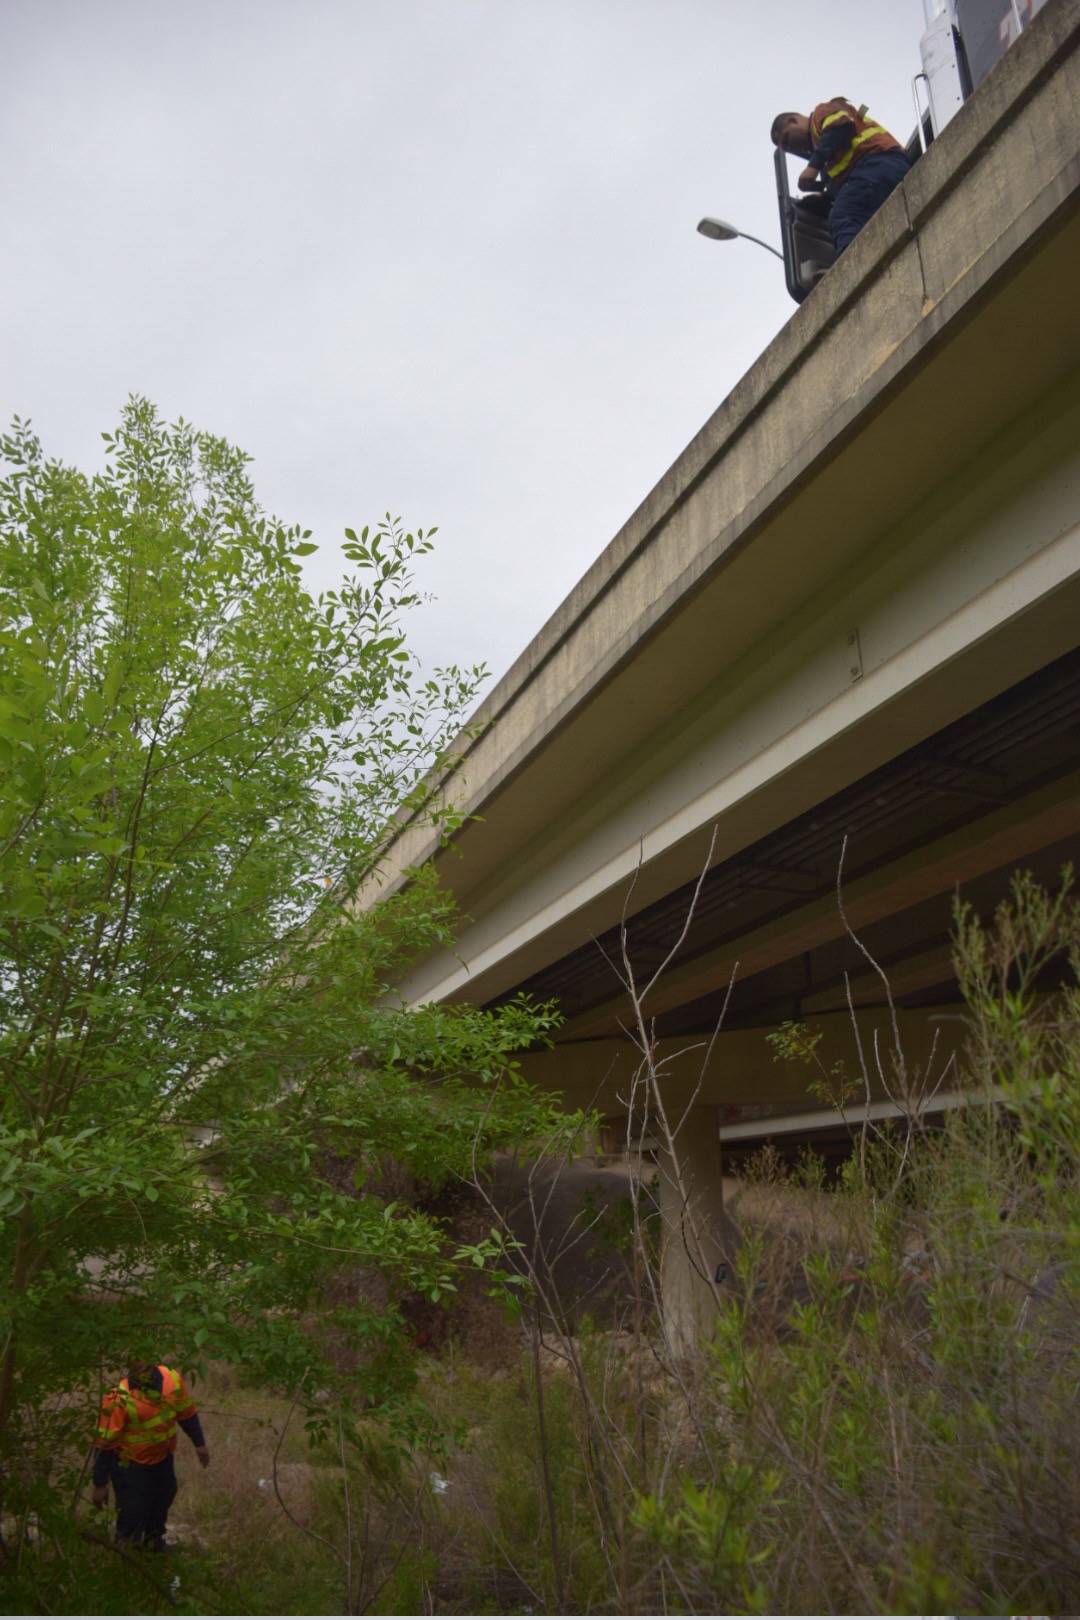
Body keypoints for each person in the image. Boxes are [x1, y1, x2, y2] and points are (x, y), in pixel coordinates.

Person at [91, 1359, 210, 1550]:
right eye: (136, 1371)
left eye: (145, 1369)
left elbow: (186, 1412)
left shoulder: (172, 1378)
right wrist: (100, 1483)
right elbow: (104, 1442)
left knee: (162, 1501)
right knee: (131, 1514)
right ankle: (127, 1554)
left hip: (163, 1457)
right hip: (130, 1465)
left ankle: (154, 1548)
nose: (142, 1376)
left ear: (153, 1363)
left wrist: (199, 1443)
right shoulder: (118, 1397)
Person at [771, 99, 910, 255]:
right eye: (786, 149)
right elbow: (845, 188)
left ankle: (853, 264)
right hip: (877, 173)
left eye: (787, 139)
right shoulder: (827, 158)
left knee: (843, 216)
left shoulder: (821, 113)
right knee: (864, 222)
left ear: (793, 120)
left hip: (878, 163)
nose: (791, 147)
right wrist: (824, 197)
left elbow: (840, 127)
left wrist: (813, 166)